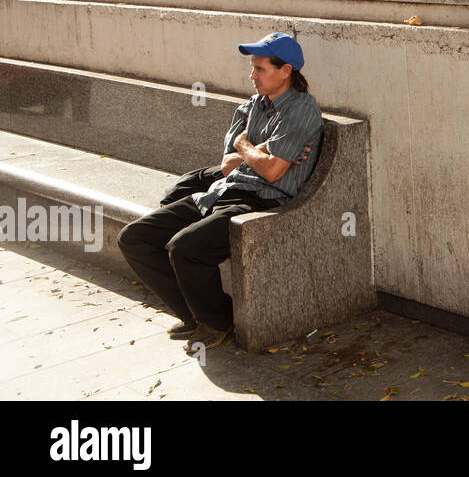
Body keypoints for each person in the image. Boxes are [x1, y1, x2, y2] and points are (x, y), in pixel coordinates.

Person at [118, 33, 323, 353]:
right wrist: (256, 152)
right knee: (134, 237)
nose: (252, 75)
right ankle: (196, 314)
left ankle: (217, 320)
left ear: (285, 71)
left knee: (185, 247)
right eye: (252, 68)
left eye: (260, 69)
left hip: (260, 199)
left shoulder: (301, 108)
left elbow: (271, 172)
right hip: (222, 190)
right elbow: (227, 165)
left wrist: (245, 145)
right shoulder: (256, 106)